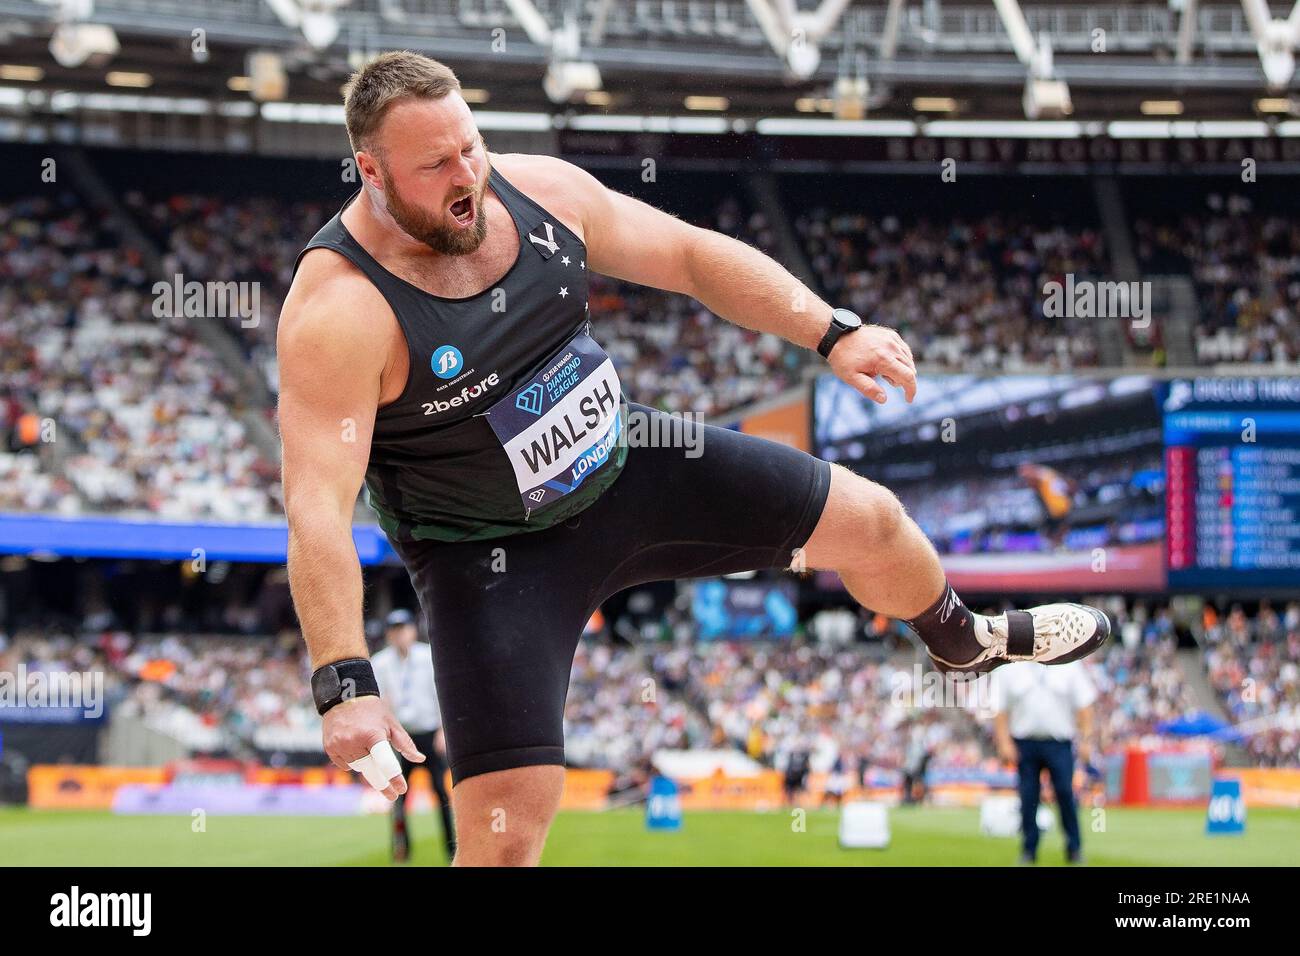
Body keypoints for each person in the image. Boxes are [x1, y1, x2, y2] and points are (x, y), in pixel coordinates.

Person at [277, 51, 1111, 866]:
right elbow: (318, 504)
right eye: (436, 166)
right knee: (503, 838)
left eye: (471, 146)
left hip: (633, 464)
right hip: (490, 560)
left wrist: (830, 328)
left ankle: (961, 639)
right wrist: (344, 683)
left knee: (877, 521)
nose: (468, 176)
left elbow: (686, 254)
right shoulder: (340, 313)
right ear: (371, 174)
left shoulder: (542, 194)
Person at [990, 659, 1098, 865]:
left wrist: (1085, 739)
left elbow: (1085, 706)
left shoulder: (1069, 665)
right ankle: (1029, 849)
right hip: (1024, 743)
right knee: (1028, 797)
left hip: (1059, 743)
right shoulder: (1010, 668)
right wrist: (1004, 742)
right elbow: (1000, 708)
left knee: (1065, 794)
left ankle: (1074, 847)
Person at [370, 608, 455, 863]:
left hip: (428, 732)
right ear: (388, 635)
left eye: (403, 629)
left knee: (440, 793)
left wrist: (443, 730)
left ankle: (451, 848)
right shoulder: (381, 662)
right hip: (399, 734)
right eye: (394, 630)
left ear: (412, 630)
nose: (400, 635)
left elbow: (442, 694)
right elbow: (379, 701)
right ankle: (401, 848)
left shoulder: (427, 656)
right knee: (397, 795)